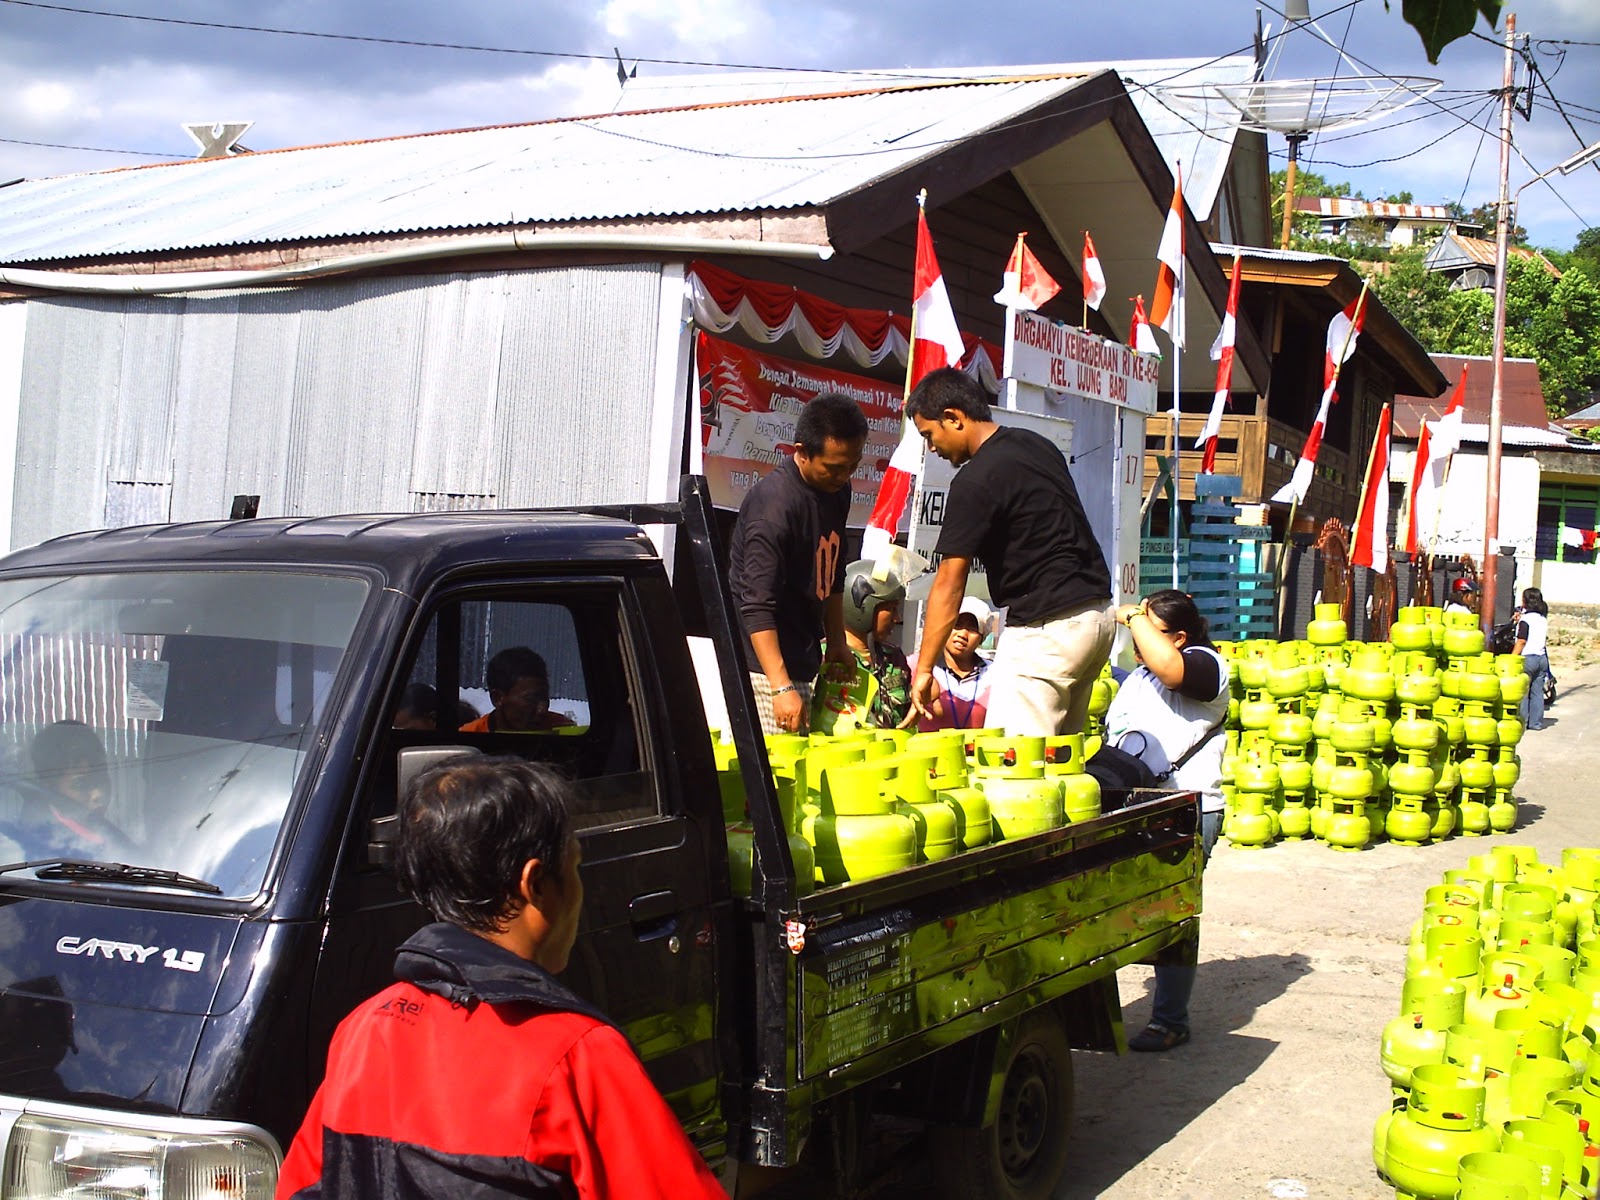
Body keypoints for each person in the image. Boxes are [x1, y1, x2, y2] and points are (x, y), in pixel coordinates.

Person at [276, 757, 724, 1200]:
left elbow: (302, 1185)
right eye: (576, 867)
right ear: (535, 883)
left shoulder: (364, 1028)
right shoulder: (574, 1055)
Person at [904, 368, 1115, 737]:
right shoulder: (1036, 444)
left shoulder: (973, 481)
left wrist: (923, 670)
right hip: (1096, 618)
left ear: (953, 418)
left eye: (929, 434)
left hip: (1047, 630)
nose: (931, 448)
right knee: (1059, 767)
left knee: (1012, 773)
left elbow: (949, 586)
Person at [1105, 590, 1228, 1053]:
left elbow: (1174, 670)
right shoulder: (1138, 677)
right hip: (1135, 805)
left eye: (1147, 629)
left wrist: (1131, 613)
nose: (1136, 637)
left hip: (1185, 809)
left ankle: (1170, 1019)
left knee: (1170, 911)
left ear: (1179, 637)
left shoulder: (1207, 666)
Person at [729, 391, 867, 735]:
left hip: (804, 662)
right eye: (835, 467)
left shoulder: (838, 491)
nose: (844, 475)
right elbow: (756, 605)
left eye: (853, 465)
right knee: (774, 783)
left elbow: (833, 573)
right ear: (801, 452)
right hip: (762, 672)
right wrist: (780, 686)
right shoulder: (774, 509)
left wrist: (837, 642)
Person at [841, 559, 912, 729]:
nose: (897, 619)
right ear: (863, 606)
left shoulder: (894, 658)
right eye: (892, 609)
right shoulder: (825, 657)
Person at [919, 597, 993, 731]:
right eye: (957, 625)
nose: (962, 634)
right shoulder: (919, 667)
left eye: (972, 629)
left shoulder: (995, 673)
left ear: (982, 637)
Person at [459, 647, 574, 733]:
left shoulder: (562, 730)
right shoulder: (469, 737)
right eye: (530, 699)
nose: (542, 710)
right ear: (497, 698)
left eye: (544, 697)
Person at [1514, 587, 1550, 731]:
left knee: (1523, 691)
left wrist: (1511, 658)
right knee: (1537, 692)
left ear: (1525, 601)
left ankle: (1523, 720)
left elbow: (1521, 641)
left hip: (1528, 658)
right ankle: (1535, 723)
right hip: (1541, 658)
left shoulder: (1526, 620)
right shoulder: (1542, 619)